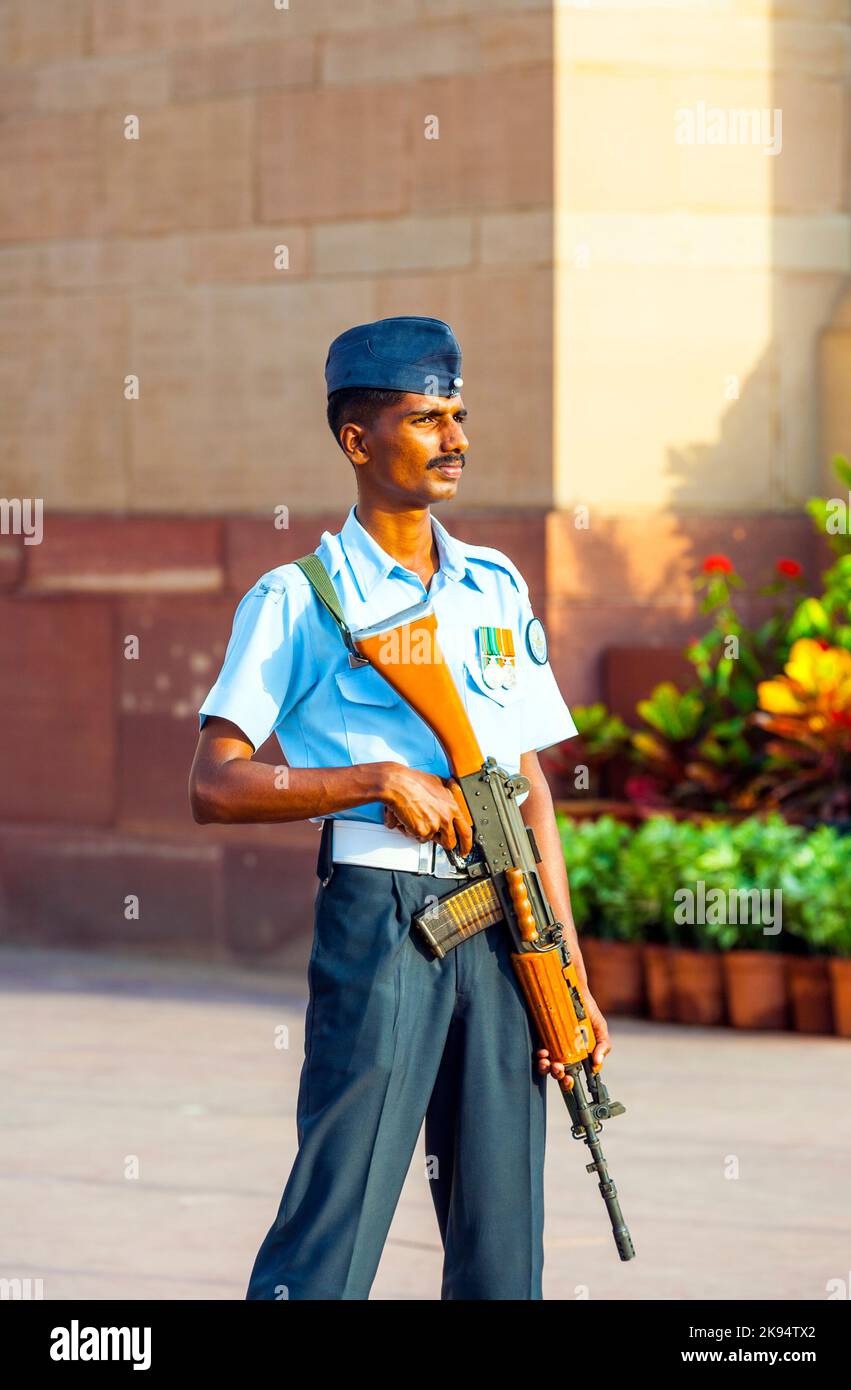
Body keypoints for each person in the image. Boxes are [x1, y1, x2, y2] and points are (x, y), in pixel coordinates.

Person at [189, 315, 611, 1301]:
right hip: (382, 923)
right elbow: (215, 781)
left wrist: (569, 976)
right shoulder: (302, 599)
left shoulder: (493, 587)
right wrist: (375, 781)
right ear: (357, 440)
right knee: (334, 1227)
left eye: (458, 415)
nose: (455, 438)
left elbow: (531, 787)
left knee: (505, 1248)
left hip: (507, 927)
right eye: (426, 418)